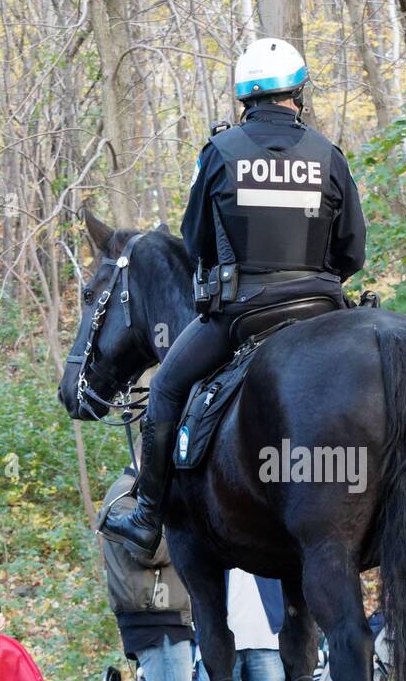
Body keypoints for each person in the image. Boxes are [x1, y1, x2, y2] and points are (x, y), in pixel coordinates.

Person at [101, 37, 367, 560]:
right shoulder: (330, 157)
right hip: (321, 312)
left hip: (243, 314)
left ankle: (147, 514)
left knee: (165, 391)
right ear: (298, 92)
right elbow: (353, 251)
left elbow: (196, 240)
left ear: (247, 97)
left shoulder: (220, 153)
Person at [78, 453, 194, 681]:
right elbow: (151, 549)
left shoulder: (136, 495)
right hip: (153, 615)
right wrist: (183, 522)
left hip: (164, 612)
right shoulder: (123, 498)